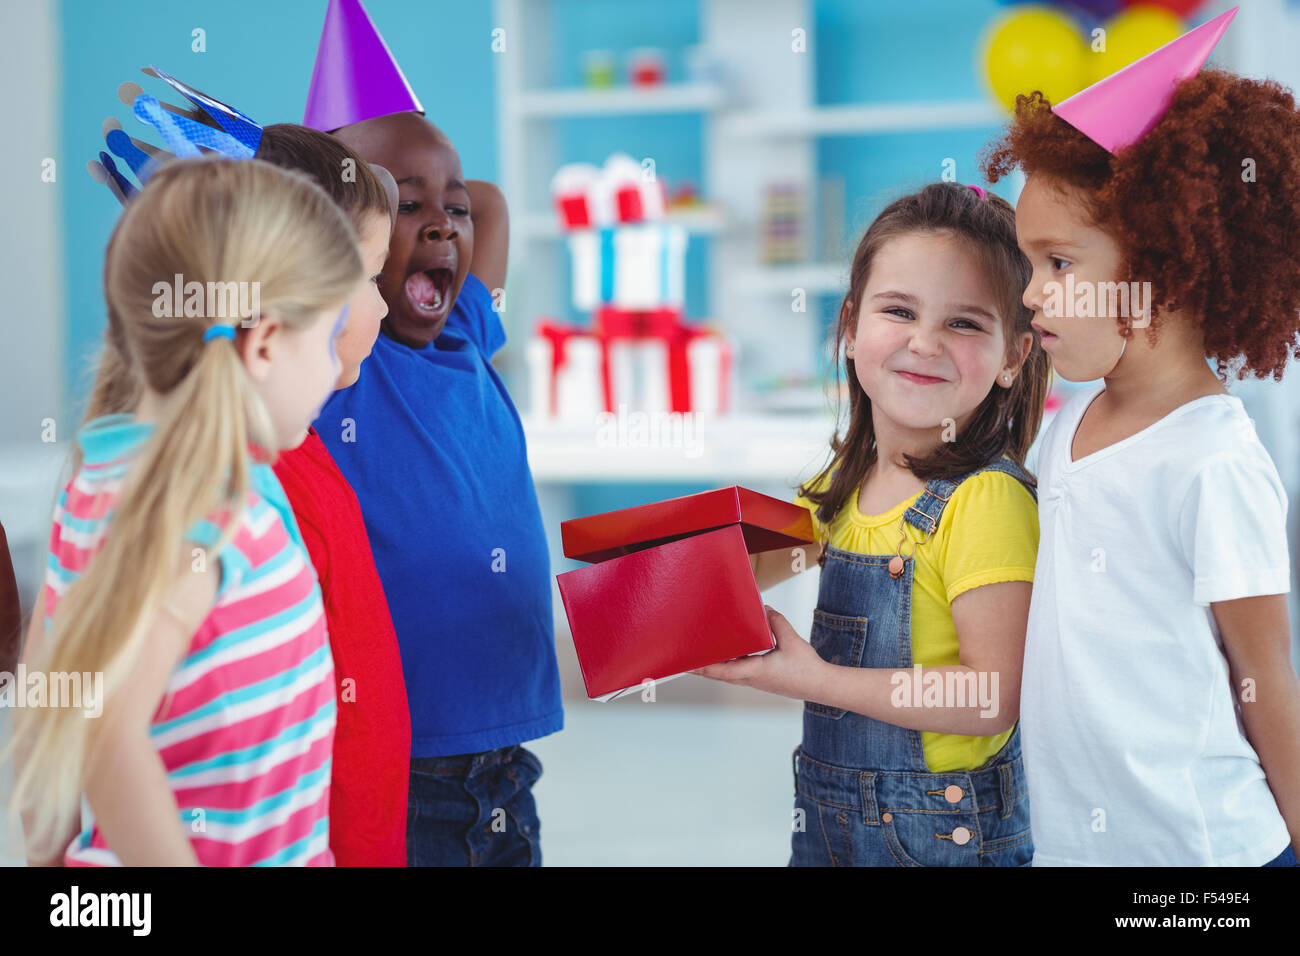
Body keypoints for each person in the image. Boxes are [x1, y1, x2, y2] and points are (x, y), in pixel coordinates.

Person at [982, 12, 1300, 865]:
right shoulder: (1069, 430)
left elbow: (1265, 677)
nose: (1034, 295)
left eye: (1059, 264)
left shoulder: (1213, 459)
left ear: (1163, 265)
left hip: (1206, 856)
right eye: (1028, 267)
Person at [12, 157, 363, 866]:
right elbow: (106, 729)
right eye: (330, 340)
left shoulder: (101, 474)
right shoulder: (208, 508)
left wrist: (49, 859)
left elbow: (45, 690)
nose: (335, 370)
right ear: (263, 343)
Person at [697, 182, 1048, 866]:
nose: (925, 342)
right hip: (829, 825)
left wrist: (810, 678)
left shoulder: (985, 501)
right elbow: (745, 572)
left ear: (1013, 356)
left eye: (965, 323)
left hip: (940, 835)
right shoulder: (845, 489)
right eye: (900, 310)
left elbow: (989, 697)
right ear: (851, 328)